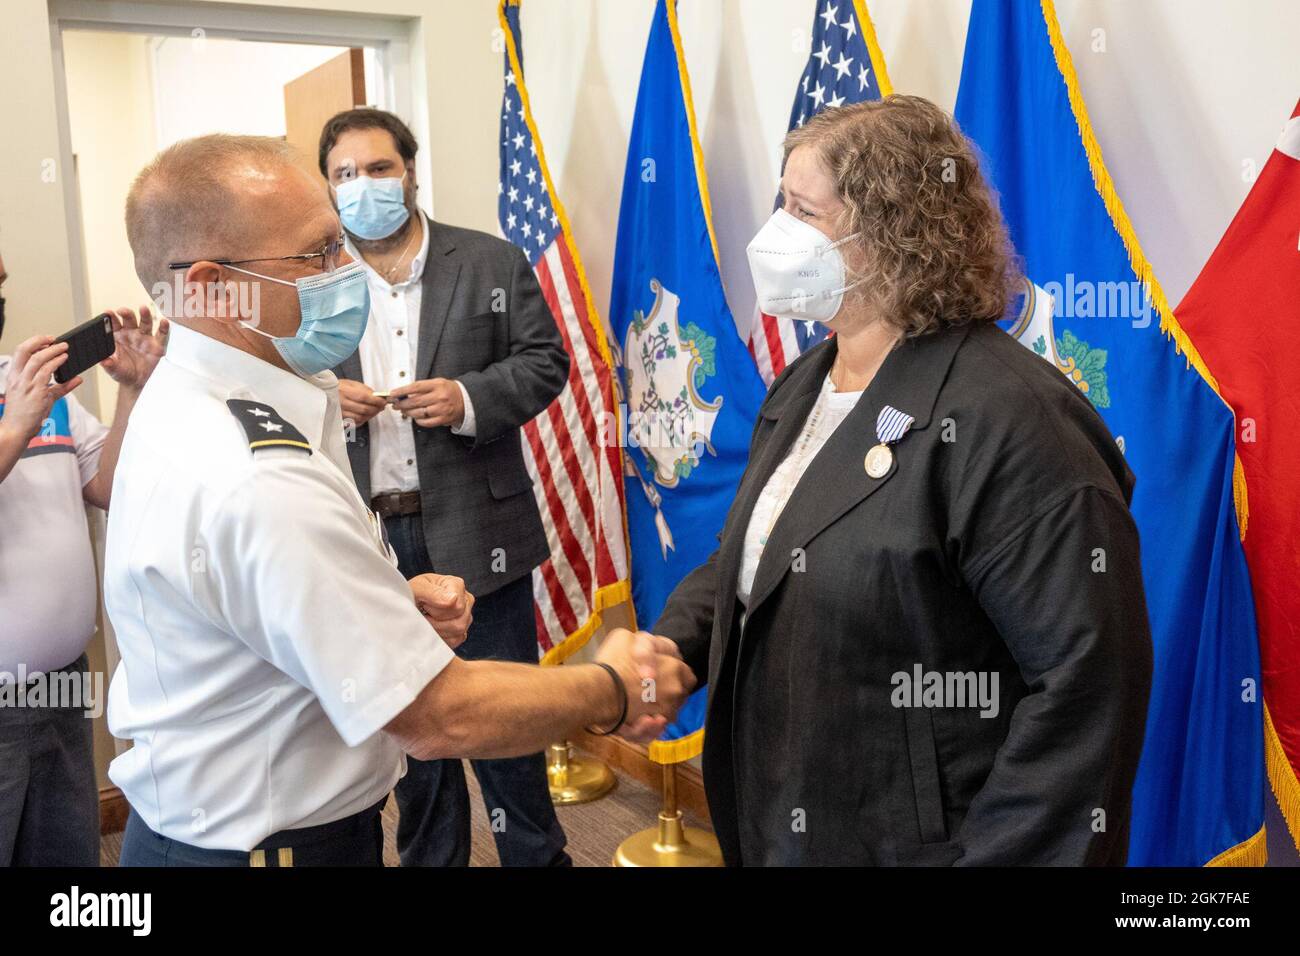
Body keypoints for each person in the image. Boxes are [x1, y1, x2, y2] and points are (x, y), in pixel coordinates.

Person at [107, 134, 692, 867]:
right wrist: (614, 687)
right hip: (266, 846)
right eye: (318, 253)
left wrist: (382, 600)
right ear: (212, 287)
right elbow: (437, 716)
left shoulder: (190, 390)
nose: (345, 270)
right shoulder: (257, 476)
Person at [653, 95, 1154, 866]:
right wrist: (672, 645)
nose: (773, 236)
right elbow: (759, 554)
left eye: (802, 211)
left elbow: (1086, 690)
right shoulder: (805, 383)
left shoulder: (1014, 421)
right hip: (787, 816)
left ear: (890, 236)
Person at [318, 108, 573, 867]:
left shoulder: (490, 261)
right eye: (343, 175)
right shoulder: (314, 276)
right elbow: (278, 379)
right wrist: (325, 397)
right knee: (411, 731)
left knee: (504, 723)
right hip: (367, 539)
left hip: (479, 531)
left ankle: (538, 856)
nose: (362, 187)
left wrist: (467, 400)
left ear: (411, 171)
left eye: (378, 168)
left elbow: (545, 362)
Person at [0, 247, 167, 866]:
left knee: (65, 857)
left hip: (62, 682)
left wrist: (133, 390)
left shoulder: (33, 390)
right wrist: (15, 425)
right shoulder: (24, 403)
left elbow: (106, 487)